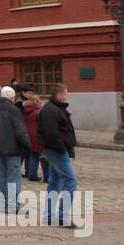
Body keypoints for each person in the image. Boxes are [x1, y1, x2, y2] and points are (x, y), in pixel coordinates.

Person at [38, 82, 78, 227]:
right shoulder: (50, 110)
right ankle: (63, 216)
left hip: (58, 149)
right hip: (56, 150)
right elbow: (51, 133)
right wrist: (62, 148)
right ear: (60, 94)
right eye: (66, 93)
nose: (67, 96)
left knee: (55, 181)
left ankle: (49, 215)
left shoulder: (57, 109)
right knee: (70, 181)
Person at [0, 85, 30, 214]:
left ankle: (3, 204)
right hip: (13, 149)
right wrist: (27, 146)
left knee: (2, 176)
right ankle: (12, 205)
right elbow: (20, 131)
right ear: (12, 96)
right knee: (13, 178)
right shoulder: (14, 110)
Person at [21, 87, 44, 181]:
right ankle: (33, 175)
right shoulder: (38, 111)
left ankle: (29, 173)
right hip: (36, 134)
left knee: (30, 155)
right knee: (37, 155)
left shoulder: (24, 109)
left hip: (26, 133)